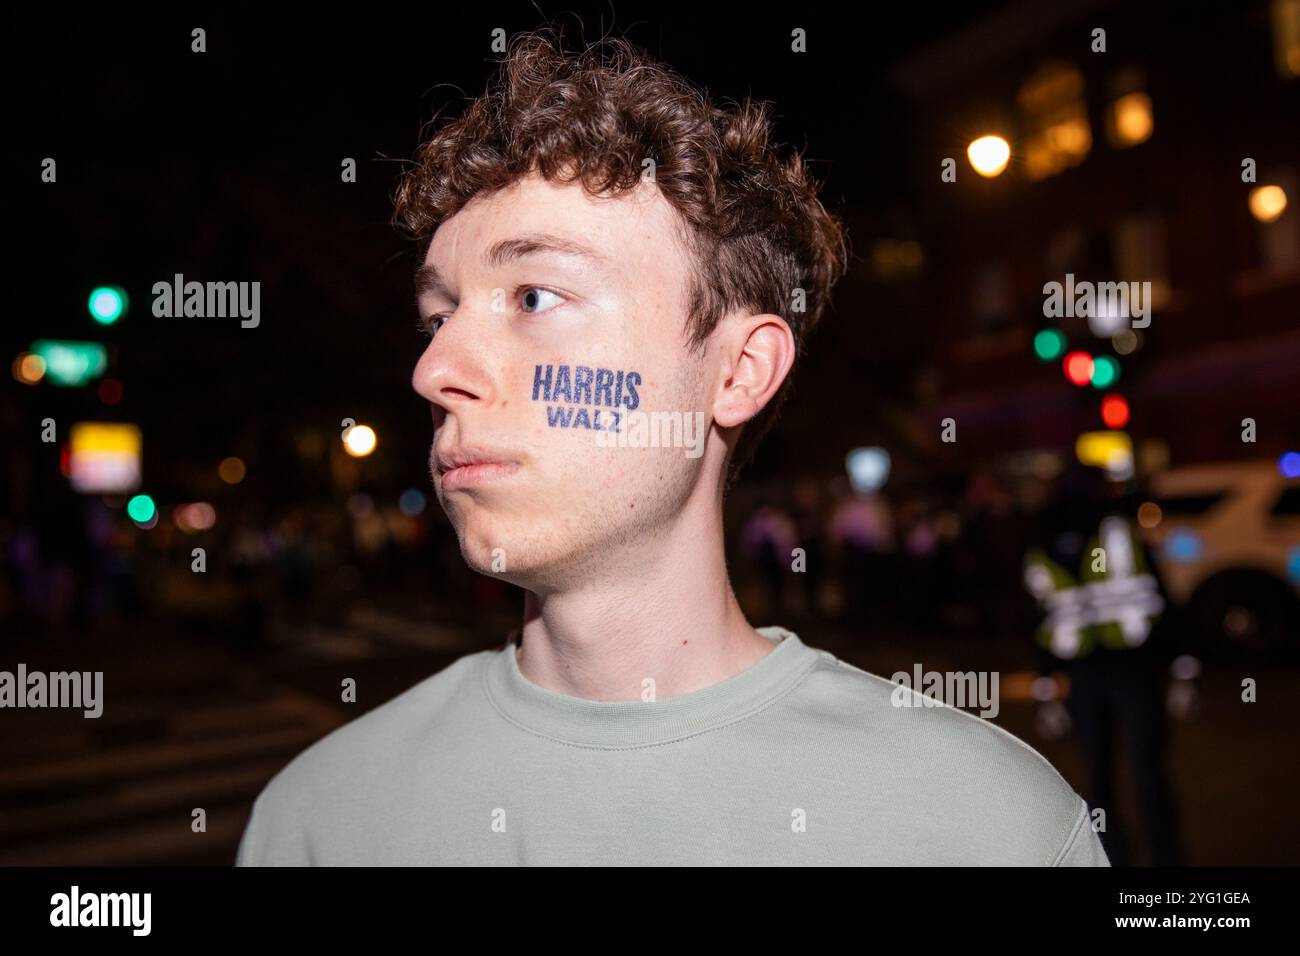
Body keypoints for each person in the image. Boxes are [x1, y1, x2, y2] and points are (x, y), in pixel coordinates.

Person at [235, 27, 1108, 866]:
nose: (436, 369)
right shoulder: (320, 820)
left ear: (738, 371)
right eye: (438, 315)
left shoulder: (985, 829)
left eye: (536, 296)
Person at [1024, 464, 1183, 866]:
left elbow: (1039, 622)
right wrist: (1183, 667)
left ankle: (1120, 859)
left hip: (1091, 675)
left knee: (1105, 779)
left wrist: (1046, 691)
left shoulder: (1044, 544)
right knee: (1140, 774)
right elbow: (1161, 598)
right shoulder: (1119, 535)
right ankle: (1158, 858)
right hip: (1129, 670)